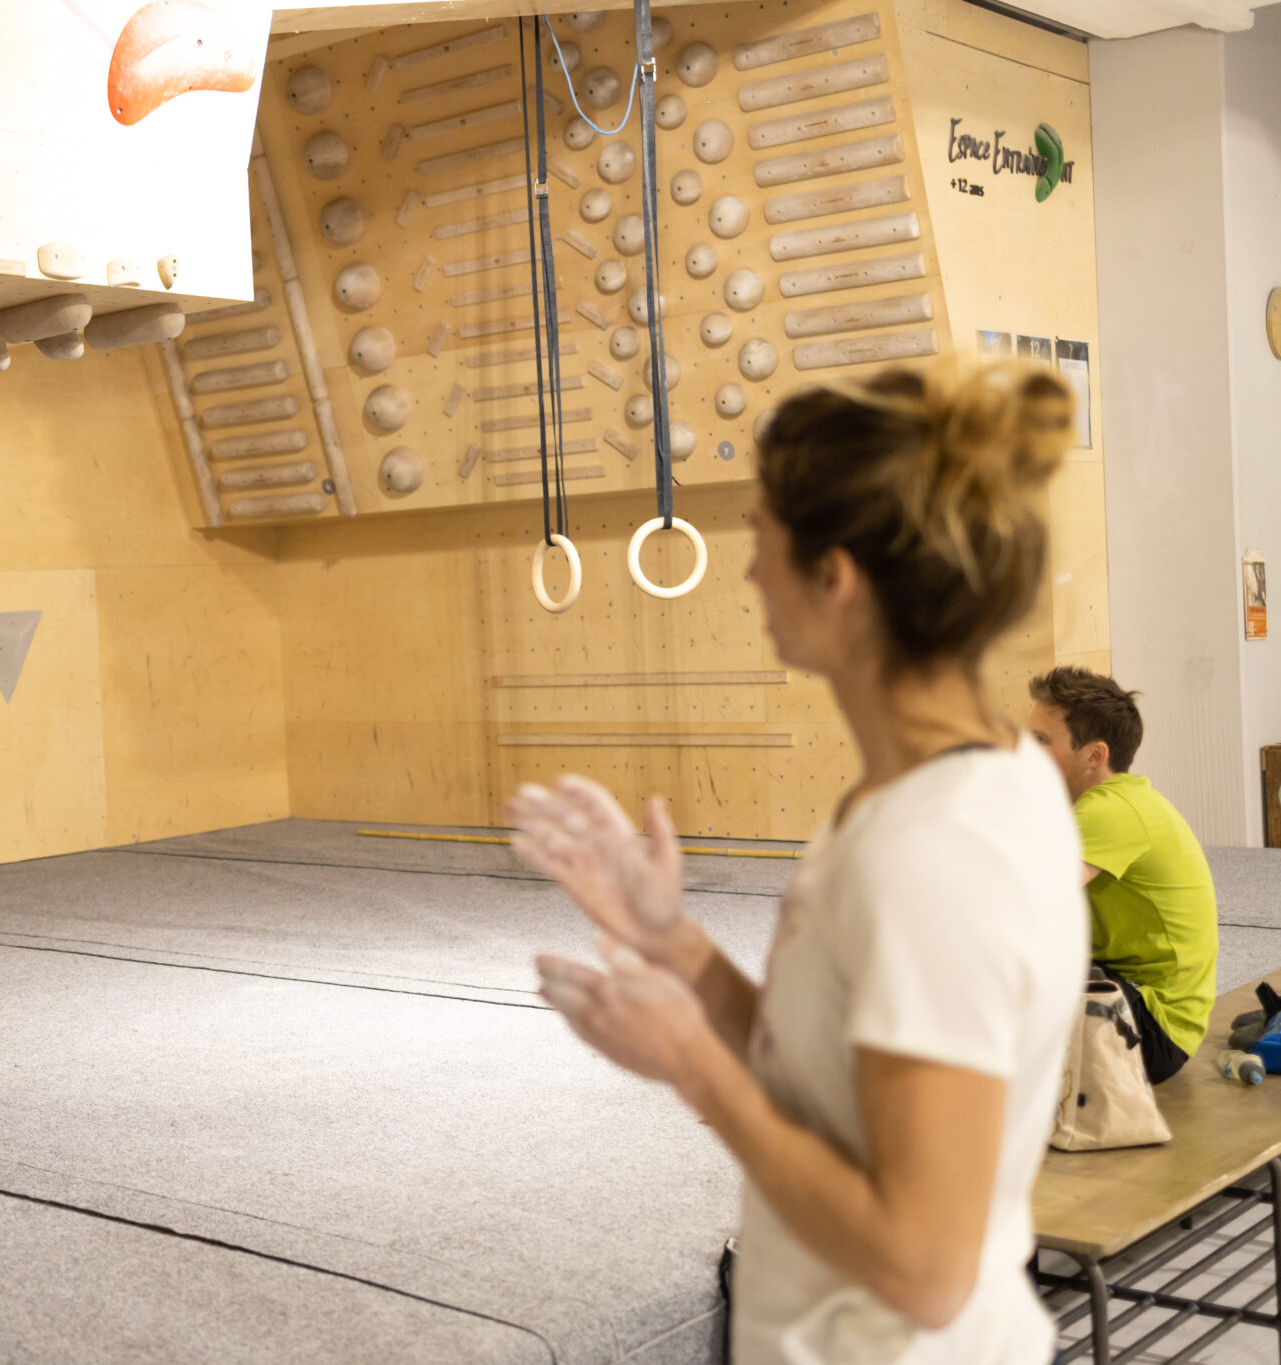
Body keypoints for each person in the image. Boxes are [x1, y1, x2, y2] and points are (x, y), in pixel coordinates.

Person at [511, 366, 1086, 1363]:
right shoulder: (926, 787)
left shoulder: (936, 853)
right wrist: (669, 940)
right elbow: (811, 1074)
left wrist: (690, 1066)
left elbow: (923, 1269)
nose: (746, 575)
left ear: (835, 578)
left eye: (760, 541)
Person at [1029, 666, 1217, 1082]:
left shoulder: (1109, 811)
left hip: (1153, 1029)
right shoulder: (1094, 806)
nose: (1025, 750)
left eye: (1042, 740)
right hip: (1128, 997)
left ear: (1095, 755)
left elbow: (1021, 902)